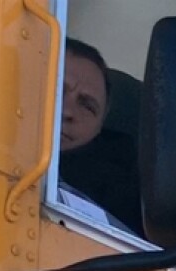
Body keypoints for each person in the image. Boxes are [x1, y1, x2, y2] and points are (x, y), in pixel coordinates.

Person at [56, 38, 145, 236]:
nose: (67, 111)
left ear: (99, 128)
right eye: (57, 90)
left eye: (87, 106)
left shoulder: (122, 204)